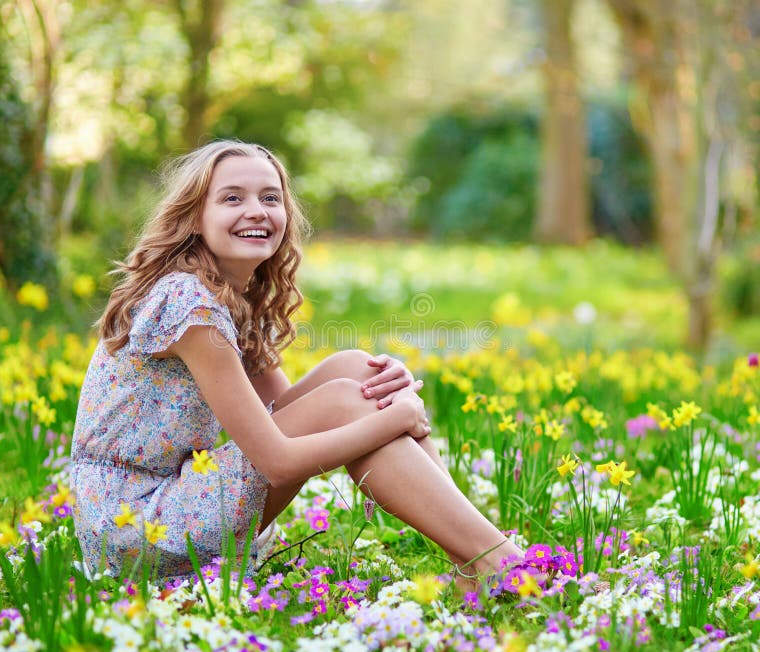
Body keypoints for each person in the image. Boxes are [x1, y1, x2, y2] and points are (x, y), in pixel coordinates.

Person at [70, 139, 523, 583]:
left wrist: (386, 392)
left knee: (359, 372)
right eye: (232, 198)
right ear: (194, 217)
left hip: (180, 495)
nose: (256, 210)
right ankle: (501, 563)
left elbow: (293, 411)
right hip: (137, 526)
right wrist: (398, 416)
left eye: (270, 198)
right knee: (351, 400)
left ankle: (472, 559)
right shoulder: (191, 305)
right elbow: (279, 462)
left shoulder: (229, 294)